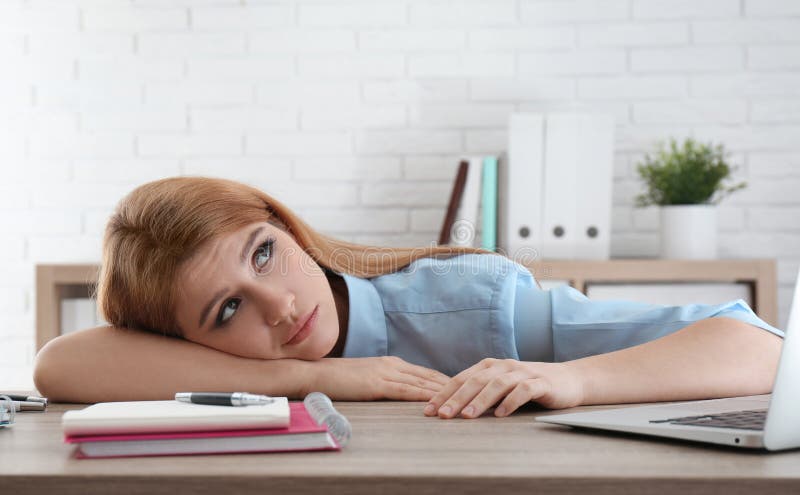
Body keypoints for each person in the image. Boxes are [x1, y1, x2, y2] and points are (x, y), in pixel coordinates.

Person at [33, 177, 784, 420]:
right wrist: (309, 375)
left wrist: (570, 377)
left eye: (265, 254)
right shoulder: (240, 367)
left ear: (286, 227)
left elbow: (758, 344)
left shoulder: (466, 303)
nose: (280, 306)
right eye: (227, 310)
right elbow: (59, 367)